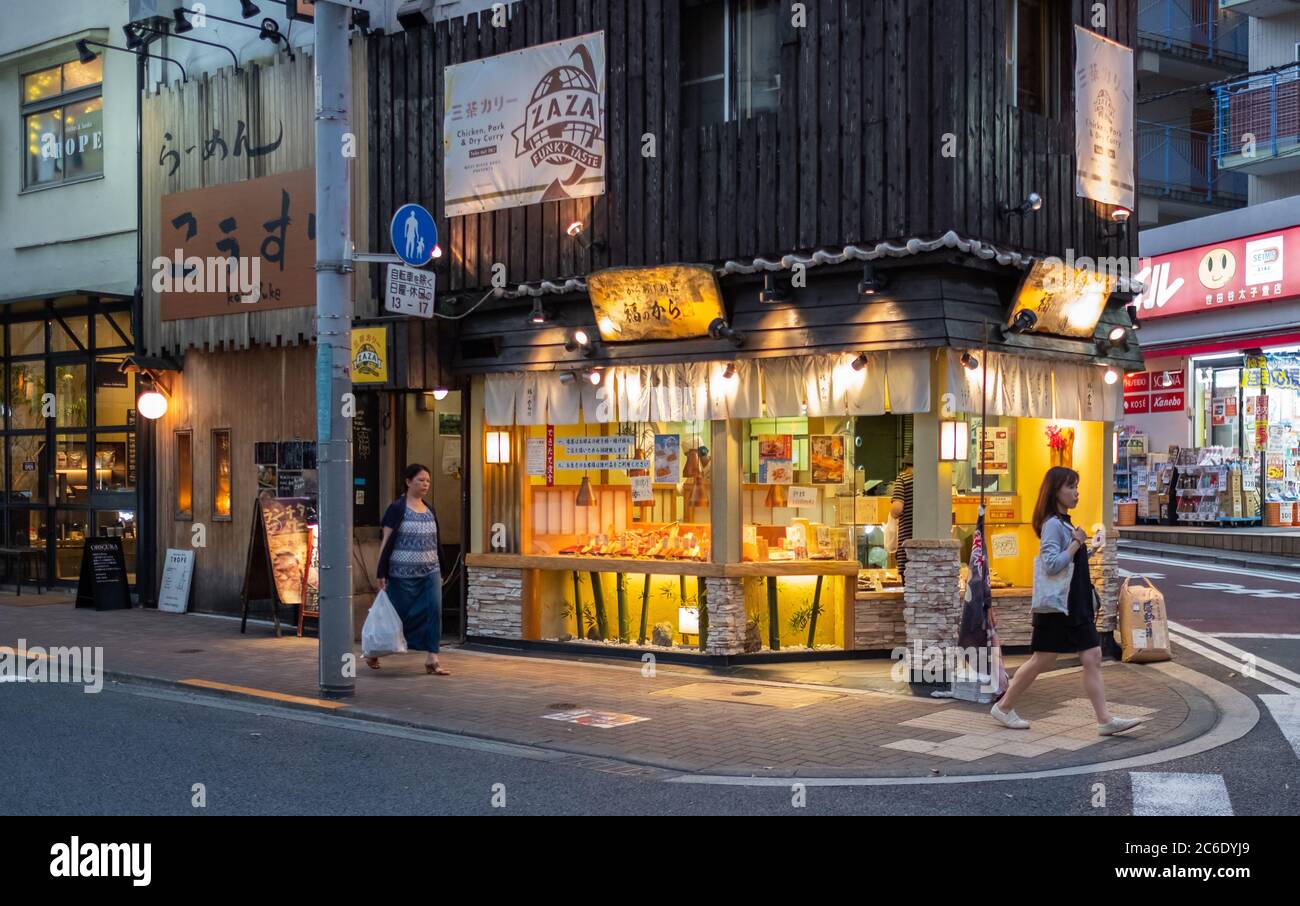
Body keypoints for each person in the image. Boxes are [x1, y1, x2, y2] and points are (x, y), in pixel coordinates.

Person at [989, 466, 1143, 736]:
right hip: (1060, 608)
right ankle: (1003, 707)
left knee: (1092, 656)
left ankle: (1104, 720)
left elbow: (1068, 562)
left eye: (1077, 486)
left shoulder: (1064, 522)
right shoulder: (1052, 524)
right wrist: (1075, 544)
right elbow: (1051, 565)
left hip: (1075, 606)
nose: (1076, 492)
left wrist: (1088, 545)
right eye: (1070, 487)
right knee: (1043, 660)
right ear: (1055, 491)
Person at [369, 464, 449, 675]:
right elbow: (386, 542)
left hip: (430, 570)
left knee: (434, 610)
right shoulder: (397, 509)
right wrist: (381, 571)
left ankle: (432, 658)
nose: (425, 484)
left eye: (428, 481)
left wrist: (442, 568)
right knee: (397, 614)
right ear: (408, 482)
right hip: (401, 572)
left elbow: (436, 540)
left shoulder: (430, 509)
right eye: (420, 480)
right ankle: (374, 650)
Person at [890, 450, 914, 582]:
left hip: (908, 544)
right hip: (929, 549)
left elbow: (897, 509)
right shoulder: (930, 482)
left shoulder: (903, 478)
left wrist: (892, 512)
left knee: (910, 591)